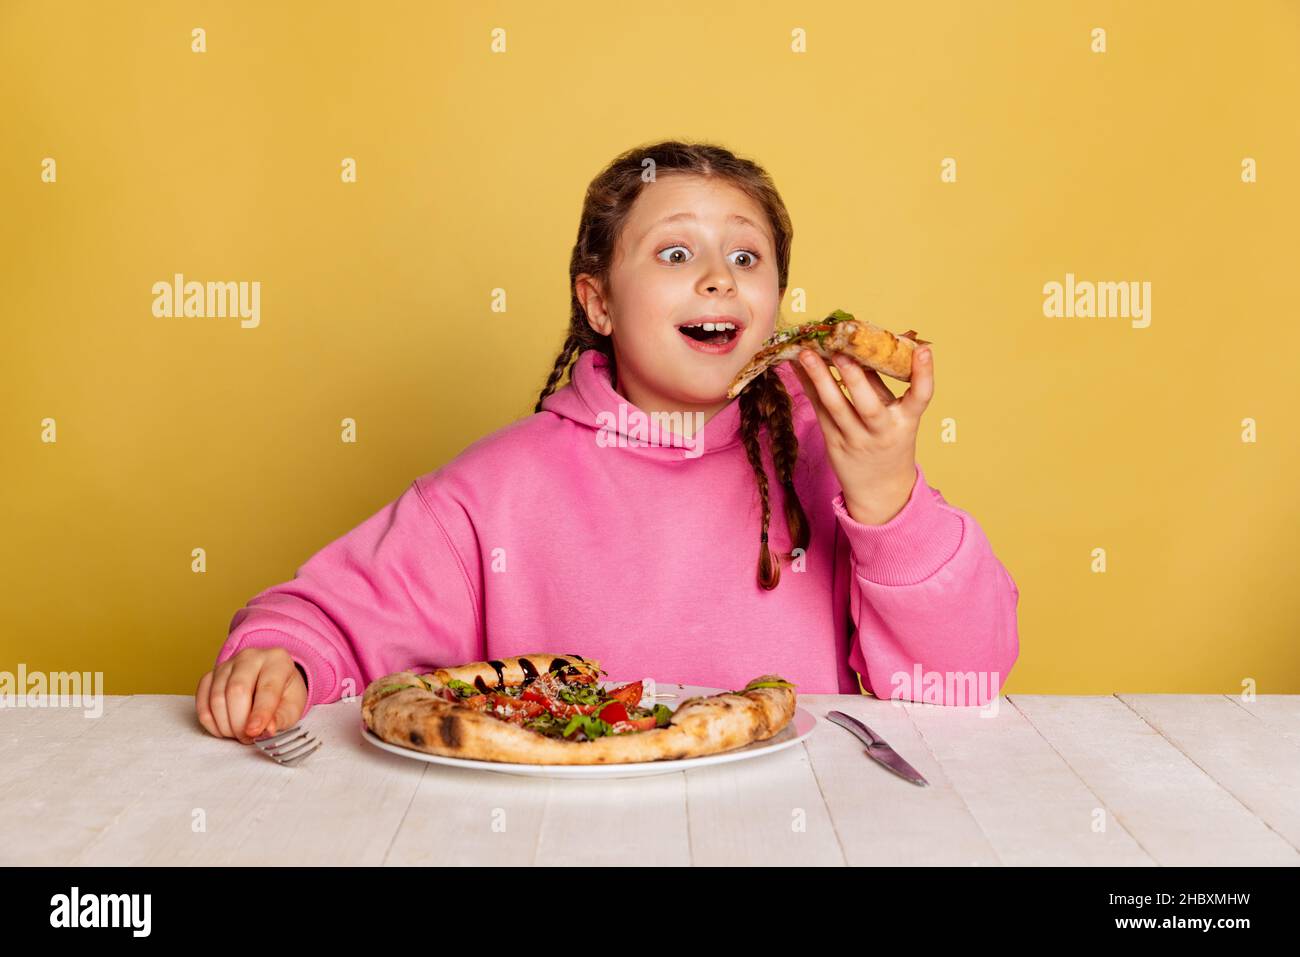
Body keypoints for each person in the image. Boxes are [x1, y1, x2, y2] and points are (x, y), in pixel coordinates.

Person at [195, 139, 1020, 744]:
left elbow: (966, 678)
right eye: (674, 252)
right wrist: (285, 657)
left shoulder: (826, 461)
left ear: (775, 301)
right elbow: (332, 618)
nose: (718, 278)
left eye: (745, 254)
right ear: (598, 303)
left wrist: (887, 494)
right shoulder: (498, 489)